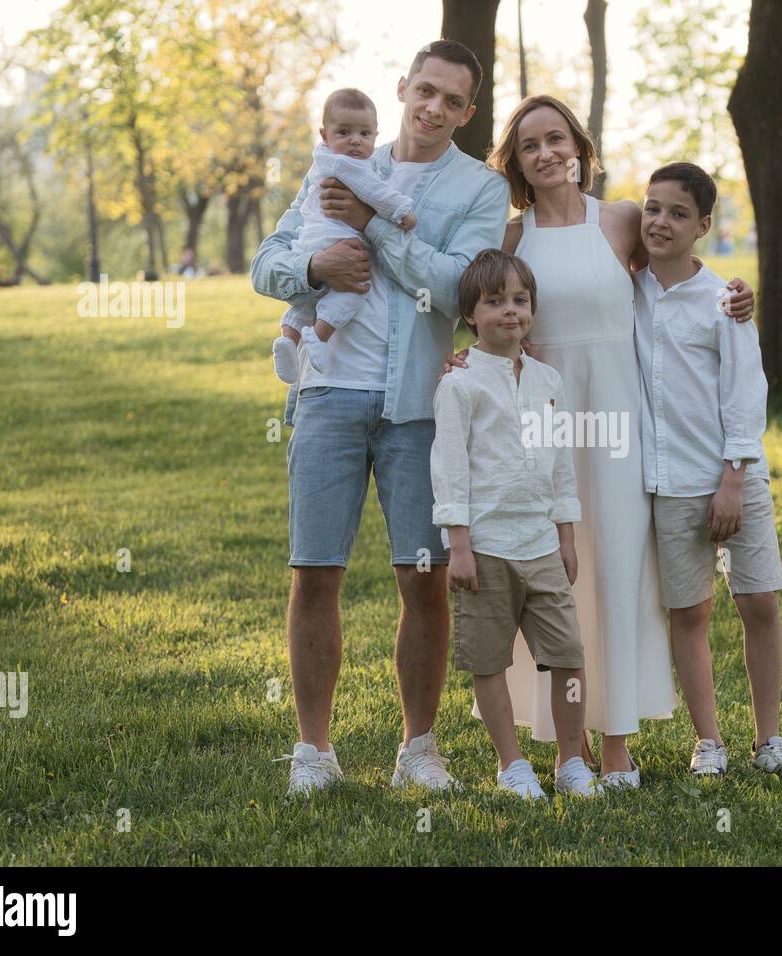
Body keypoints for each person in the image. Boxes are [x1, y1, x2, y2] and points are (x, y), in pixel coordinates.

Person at [445, 94, 755, 789]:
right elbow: (491, 312)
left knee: (618, 576)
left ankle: (618, 744)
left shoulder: (618, 220)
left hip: (619, 428)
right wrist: (461, 358)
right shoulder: (513, 239)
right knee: (556, 583)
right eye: (530, 145)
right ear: (517, 162)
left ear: (579, 146)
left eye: (557, 138)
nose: (547, 152)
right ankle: (567, 747)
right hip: (544, 431)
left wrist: (732, 299)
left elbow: (682, 275)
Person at [250, 40, 510, 797]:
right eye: (423, 90)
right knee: (314, 572)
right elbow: (270, 258)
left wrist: (372, 224)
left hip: (419, 405)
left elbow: (461, 284)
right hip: (327, 394)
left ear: (467, 113)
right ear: (402, 86)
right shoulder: (342, 149)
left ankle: (419, 749)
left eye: (451, 101)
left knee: (422, 578)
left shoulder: (478, 189)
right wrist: (313, 269)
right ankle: (313, 752)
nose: (432, 108)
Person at [634, 162, 782, 780]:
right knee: (690, 613)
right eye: (652, 207)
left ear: (703, 225)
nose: (660, 221)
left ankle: (770, 740)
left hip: (732, 477)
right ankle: (709, 740)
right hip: (668, 484)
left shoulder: (723, 302)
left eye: (678, 213)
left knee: (758, 600)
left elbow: (744, 391)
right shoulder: (627, 292)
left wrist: (734, 476)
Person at [431, 249, 602, 799]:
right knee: (489, 662)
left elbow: (559, 461)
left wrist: (566, 533)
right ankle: (512, 765)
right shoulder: (459, 384)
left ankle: (570, 761)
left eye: (520, 300)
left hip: (540, 544)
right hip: (485, 548)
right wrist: (458, 544)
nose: (511, 311)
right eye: (495, 301)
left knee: (568, 658)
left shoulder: (547, 379)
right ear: (470, 315)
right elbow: (450, 467)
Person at [271, 88, 417, 385]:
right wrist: (403, 212)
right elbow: (378, 194)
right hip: (335, 242)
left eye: (364, 134)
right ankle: (318, 338)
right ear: (325, 135)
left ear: (377, 134)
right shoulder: (350, 166)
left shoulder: (322, 161)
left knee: (304, 303)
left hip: (308, 245)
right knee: (352, 292)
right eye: (344, 132)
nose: (355, 141)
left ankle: (288, 339)